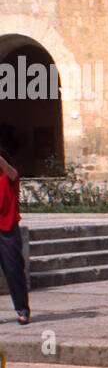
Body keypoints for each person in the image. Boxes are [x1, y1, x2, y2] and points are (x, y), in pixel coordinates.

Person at [0, 126, 29, 325]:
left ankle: (22, 309)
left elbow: (11, 173)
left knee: (13, 270)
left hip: (7, 230)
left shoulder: (9, 177)